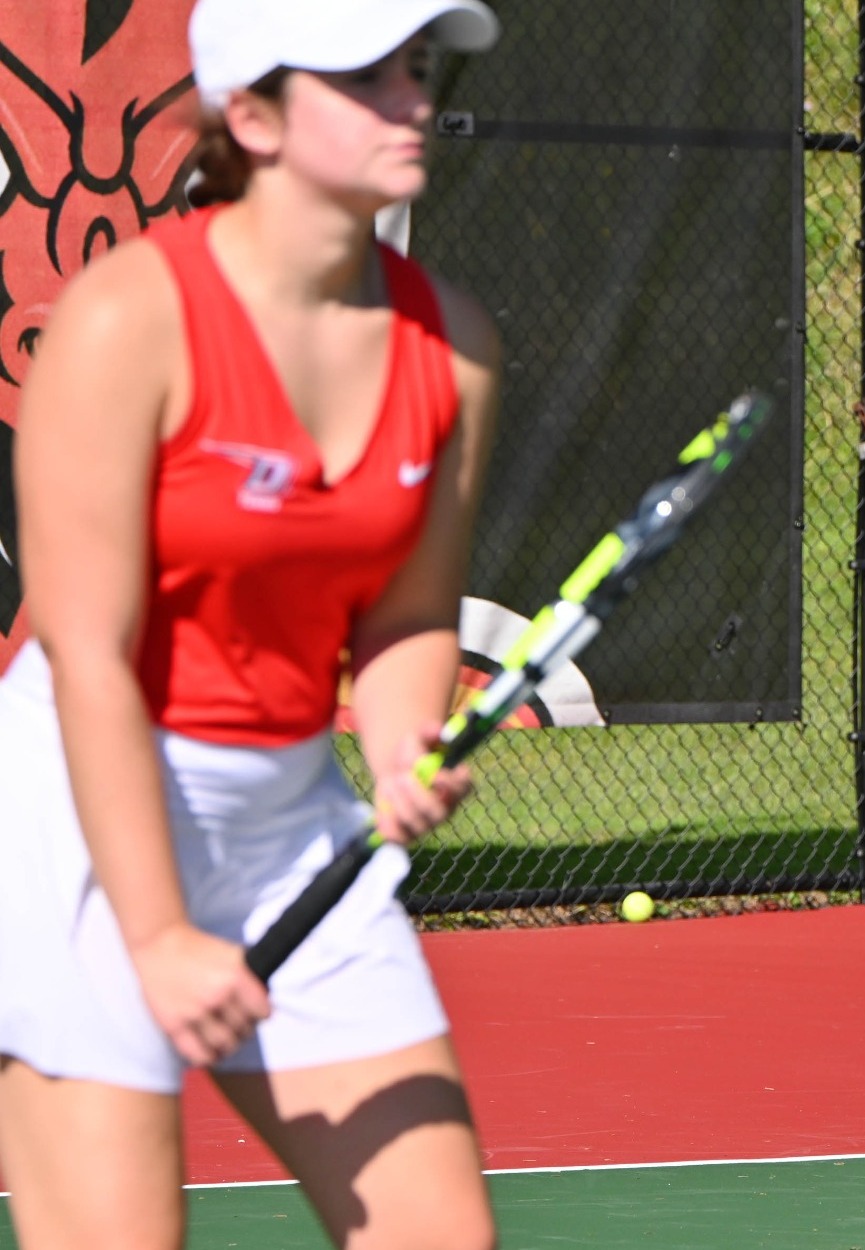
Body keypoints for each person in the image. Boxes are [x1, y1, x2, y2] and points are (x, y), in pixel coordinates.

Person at [0, 2, 504, 1246]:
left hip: (288, 816)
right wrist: (160, 933)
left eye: (417, 67)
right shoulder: (129, 321)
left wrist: (398, 750)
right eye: (367, 76)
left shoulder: (455, 346)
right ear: (256, 117)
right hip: (78, 807)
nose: (411, 99)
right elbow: (89, 656)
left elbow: (408, 612)